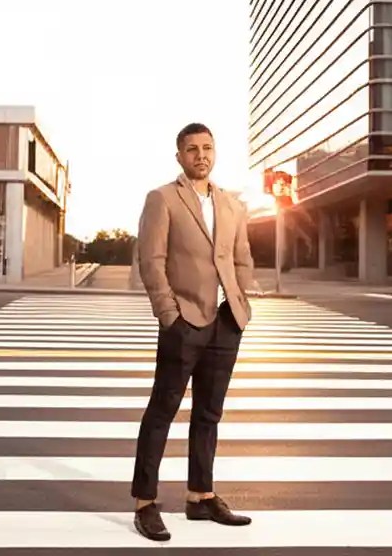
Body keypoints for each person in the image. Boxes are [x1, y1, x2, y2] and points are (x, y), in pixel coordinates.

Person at [130, 122, 255, 541]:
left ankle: (200, 496)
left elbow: (241, 259)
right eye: (192, 149)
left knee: (208, 414)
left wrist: (241, 302)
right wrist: (169, 314)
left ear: (214, 153)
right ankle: (145, 502)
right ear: (180, 156)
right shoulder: (163, 198)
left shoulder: (232, 204)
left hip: (225, 322)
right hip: (183, 321)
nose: (201, 155)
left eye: (207, 148)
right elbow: (151, 260)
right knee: (162, 410)